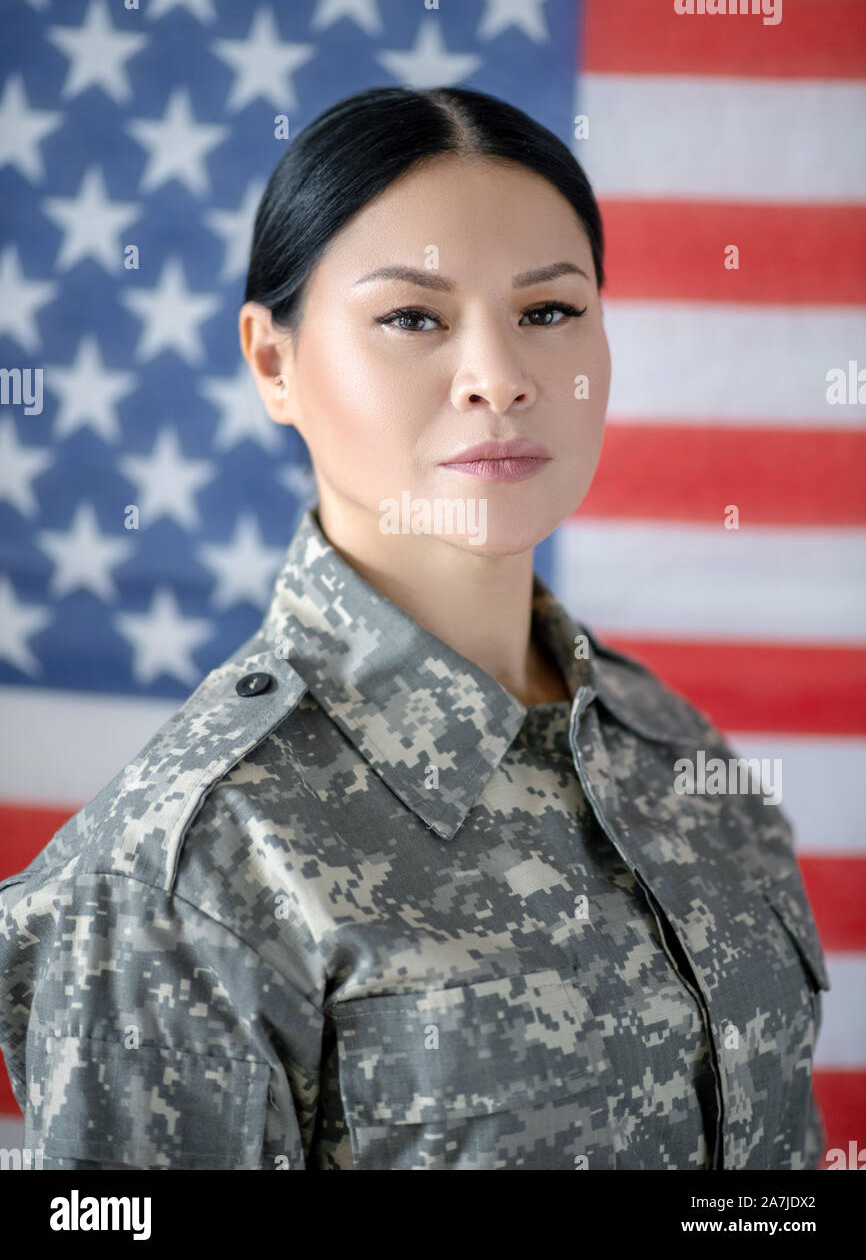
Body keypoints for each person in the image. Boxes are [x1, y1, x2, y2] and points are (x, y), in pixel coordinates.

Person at [0, 85, 829, 1170]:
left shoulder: (669, 748)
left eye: (547, 312)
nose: (498, 377)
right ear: (272, 363)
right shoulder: (186, 872)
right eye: (412, 318)